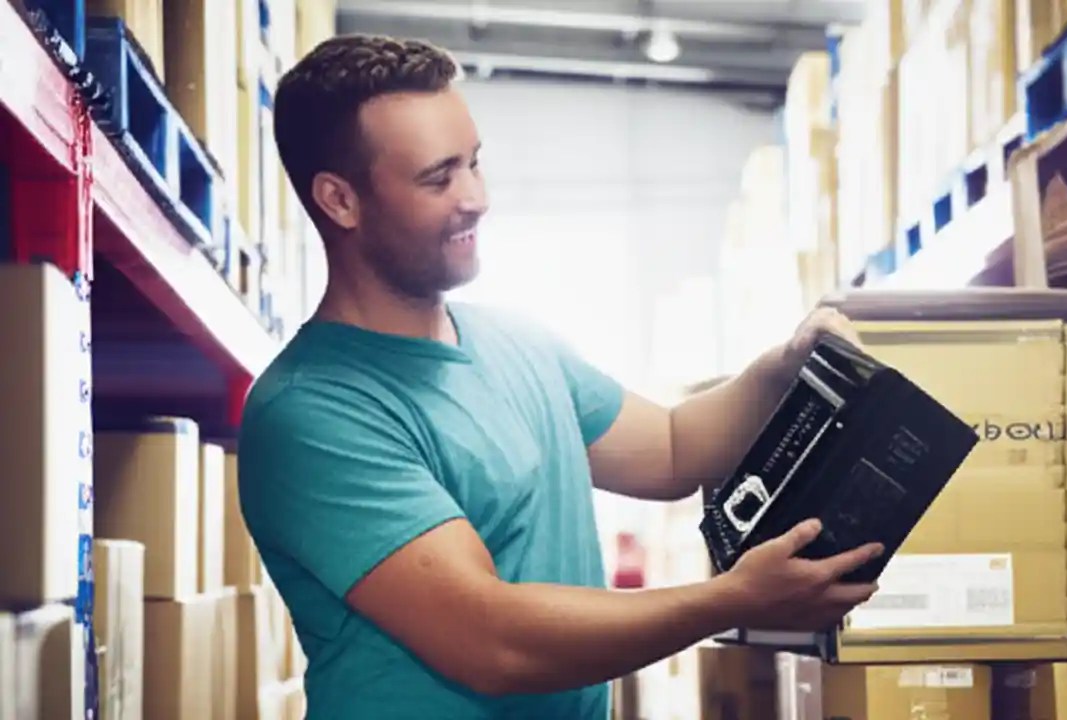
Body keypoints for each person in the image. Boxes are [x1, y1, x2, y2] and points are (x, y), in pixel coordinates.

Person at [236, 33, 882, 720]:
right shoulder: (313, 411)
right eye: (439, 176)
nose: (477, 197)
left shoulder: (517, 342)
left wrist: (781, 369)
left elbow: (667, 449)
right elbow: (491, 642)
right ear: (339, 201)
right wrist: (734, 599)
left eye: (474, 163)